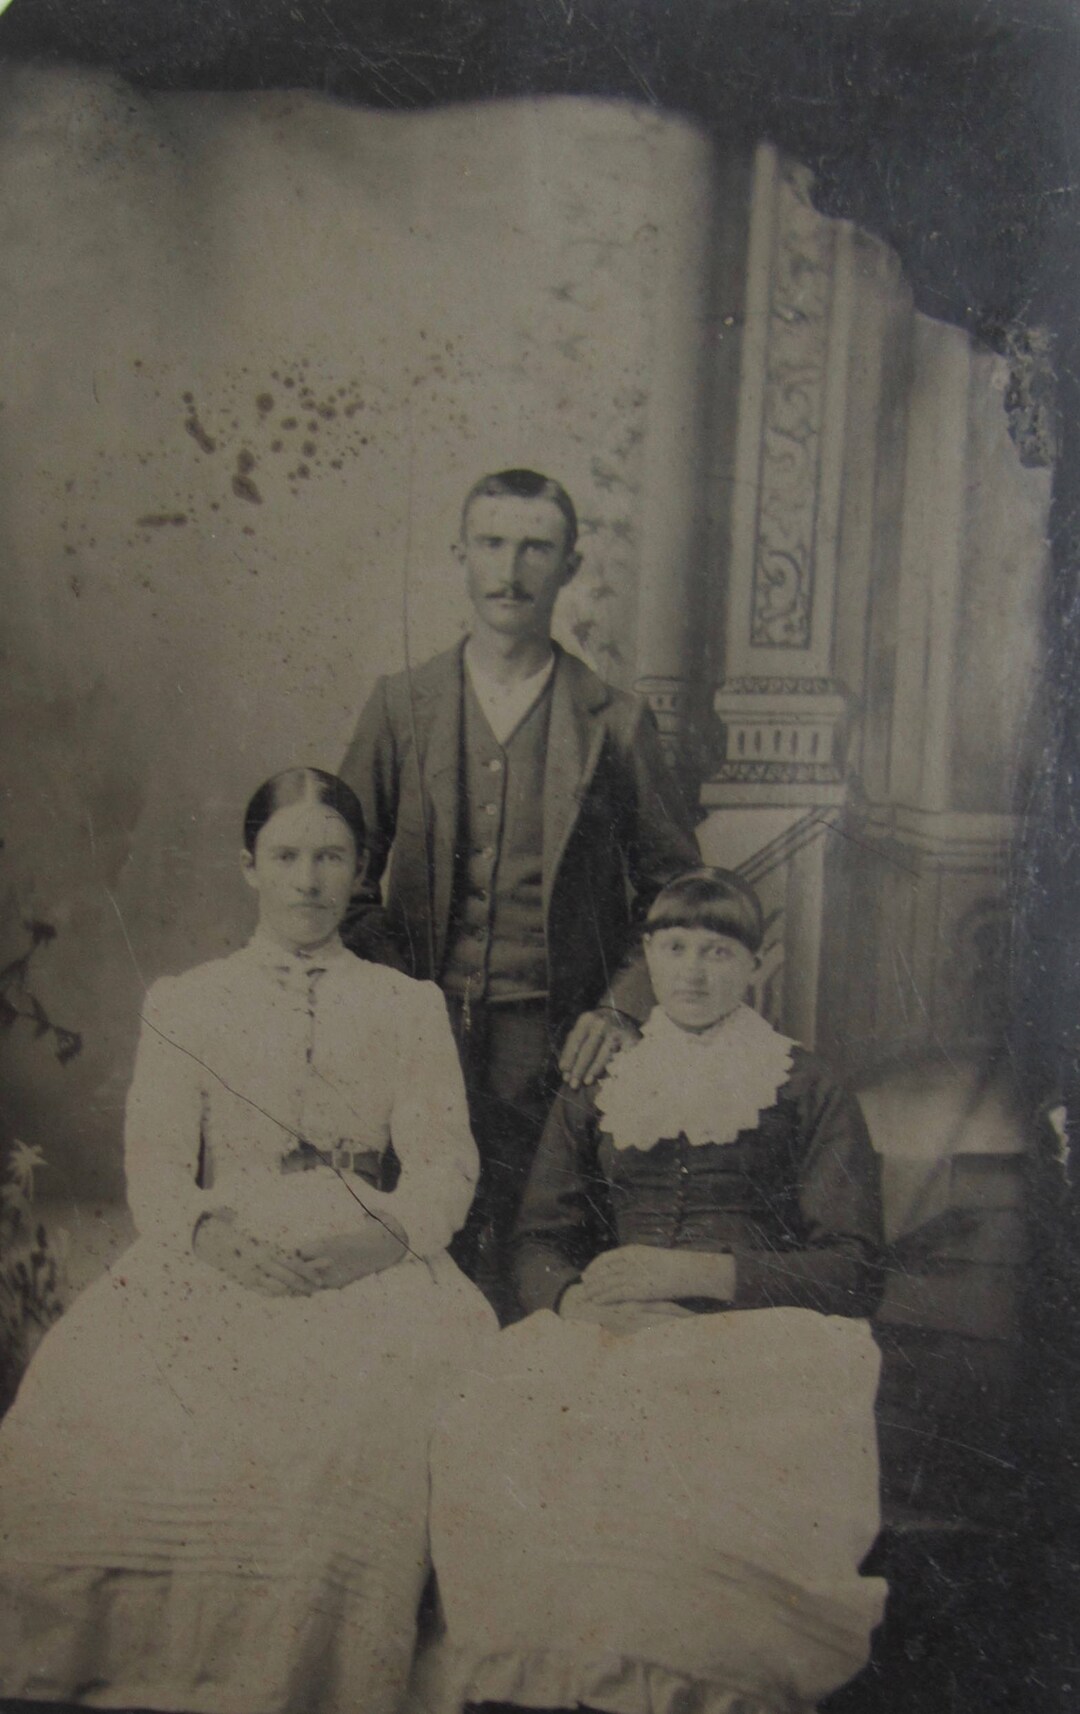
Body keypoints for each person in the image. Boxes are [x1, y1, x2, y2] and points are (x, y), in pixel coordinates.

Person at [0, 767, 493, 1714]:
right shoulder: (186, 1001)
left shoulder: (407, 1004)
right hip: (220, 1250)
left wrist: (376, 1243)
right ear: (249, 867)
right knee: (117, 1419)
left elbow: (445, 1171)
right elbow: (154, 1167)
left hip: (371, 1257)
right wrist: (212, 1239)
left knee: (354, 1435)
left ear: (362, 872)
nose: (310, 879)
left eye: (333, 857)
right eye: (287, 856)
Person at [424, 868, 887, 1714]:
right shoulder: (601, 1084)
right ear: (647, 956)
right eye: (674, 949)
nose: (695, 972)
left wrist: (704, 1274)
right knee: (500, 1416)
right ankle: (565, 1681)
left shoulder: (804, 1085)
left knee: (690, 1456)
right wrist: (572, 1301)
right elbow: (538, 1237)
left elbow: (854, 1267)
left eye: (719, 952)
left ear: (758, 964)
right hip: (611, 1323)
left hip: (761, 1332)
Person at [339, 468, 699, 1318]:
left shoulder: (613, 721)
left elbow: (680, 891)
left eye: (536, 547)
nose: (511, 569)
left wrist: (620, 1009)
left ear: (569, 566)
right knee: (423, 1262)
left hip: (560, 1043)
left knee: (547, 1264)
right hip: (423, 1038)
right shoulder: (401, 707)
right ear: (460, 556)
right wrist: (396, 995)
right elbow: (347, 874)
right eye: (492, 544)